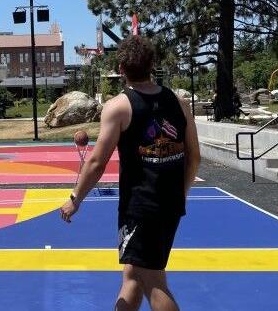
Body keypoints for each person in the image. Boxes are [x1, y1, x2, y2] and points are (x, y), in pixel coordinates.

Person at [60, 36, 200, 311]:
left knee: (153, 280)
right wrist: (181, 193)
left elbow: (97, 162)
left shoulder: (119, 107)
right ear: (152, 66)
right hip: (169, 203)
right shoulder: (179, 103)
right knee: (133, 274)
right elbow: (194, 157)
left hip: (142, 206)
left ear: (121, 68)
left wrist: (75, 198)